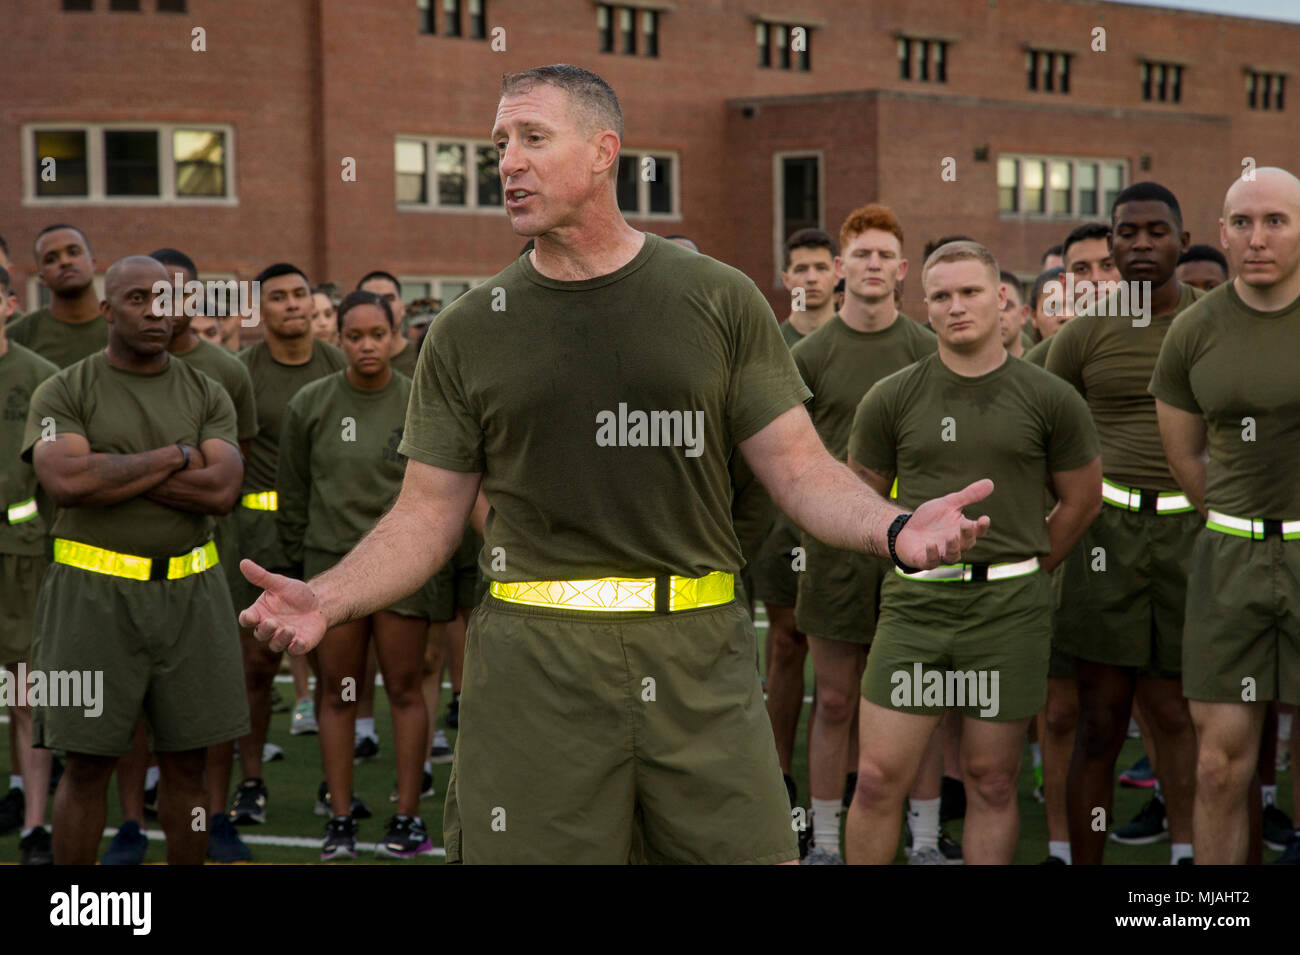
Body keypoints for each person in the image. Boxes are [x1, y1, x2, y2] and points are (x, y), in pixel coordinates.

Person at [237, 63, 993, 864]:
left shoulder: (718, 296)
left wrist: (897, 527)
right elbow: (426, 513)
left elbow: (799, 468)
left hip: (698, 655)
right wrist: (327, 595)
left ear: (604, 152)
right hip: (535, 663)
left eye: (533, 137)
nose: (509, 162)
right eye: (500, 143)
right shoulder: (466, 328)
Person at [844, 240, 1101, 865]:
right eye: (941, 296)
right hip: (914, 608)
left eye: (970, 292)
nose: (956, 306)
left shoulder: (1050, 396)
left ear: (1002, 298)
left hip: (1009, 610)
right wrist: (906, 547)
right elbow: (858, 506)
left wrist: (1029, 570)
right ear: (924, 306)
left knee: (990, 780)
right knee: (878, 781)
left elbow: (1081, 500)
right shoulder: (891, 397)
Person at [23, 255, 248, 865]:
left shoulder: (208, 390)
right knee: (87, 764)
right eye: (138, 298)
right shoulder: (63, 389)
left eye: (167, 299)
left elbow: (223, 491)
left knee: (188, 764)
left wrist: (114, 467)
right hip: (90, 600)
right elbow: (67, 480)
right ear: (107, 309)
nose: (156, 311)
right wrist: (178, 453)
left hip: (191, 598)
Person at [1046, 183, 1203, 865]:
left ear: (1183, 238)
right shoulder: (1083, 335)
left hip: (1195, 537)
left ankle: (1190, 858)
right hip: (1103, 538)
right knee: (1100, 720)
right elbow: (1035, 420)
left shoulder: (1214, 322)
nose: (1141, 244)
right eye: (1127, 232)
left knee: (1176, 714)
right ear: (1110, 244)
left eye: (1156, 231)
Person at [1151, 166, 1300, 865]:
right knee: (1219, 766)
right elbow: (1187, 459)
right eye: (1242, 223)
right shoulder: (1193, 330)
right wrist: (1242, 519)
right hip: (1229, 561)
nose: (1258, 238)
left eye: (1276, 221)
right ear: (1220, 233)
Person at [792, 204, 937, 864]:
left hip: (914, 551)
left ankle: (927, 838)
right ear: (840, 268)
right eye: (862, 255)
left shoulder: (927, 348)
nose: (873, 264)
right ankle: (824, 841)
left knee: (916, 698)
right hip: (836, 551)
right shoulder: (808, 353)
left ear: (902, 269)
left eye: (885, 255)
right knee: (836, 697)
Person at [278, 290, 436, 859]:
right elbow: (293, 495)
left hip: (404, 572)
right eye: (354, 335)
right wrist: (303, 571)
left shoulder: (422, 398)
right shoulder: (312, 402)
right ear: (337, 338)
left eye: (377, 334)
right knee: (338, 694)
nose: (366, 345)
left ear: (394, 336)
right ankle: (340, 818)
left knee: (404, 688)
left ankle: (408, 816)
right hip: (331, 575)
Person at [228, 263, 345, 828]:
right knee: (255, 667)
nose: (293, 304)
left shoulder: (339, 365)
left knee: (331, 667)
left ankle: (333, 784)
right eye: (278, 297)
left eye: (301, 294)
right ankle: (251, 783)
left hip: (327, 537)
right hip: (260, 538)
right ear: (260, 310)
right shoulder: (240, 372)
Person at [755, 227, 840, 813]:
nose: (808, 278)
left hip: (848, 515)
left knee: (846, 659)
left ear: (836, 272)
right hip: (780, 522)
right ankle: (780, 782)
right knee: (785, 646)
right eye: (798, 269)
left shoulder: (857, 337)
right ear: (786, 279)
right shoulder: (767, 344)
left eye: (818, 267)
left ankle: (848, 789)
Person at [0, 264, 59, 865]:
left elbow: (60, 479)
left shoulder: (42, 382)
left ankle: (36, 825)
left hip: (21, 556)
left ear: (10, 303)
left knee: (28, 696)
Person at [5, 225, 105, 369]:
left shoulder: (123, 325)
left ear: (93, 263)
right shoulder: (17, 336)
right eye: (51, 259)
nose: (65, 262)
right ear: (42, 277)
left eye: (74, 252)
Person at [356, 271, 416, 379]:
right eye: (370, 300)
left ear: (402, 308)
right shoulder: (342, 361)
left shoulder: (423, 358)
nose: (381, 306)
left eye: (388, 299)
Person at [1022, 267, 1072, 366]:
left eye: (1074, 306)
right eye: (1052, 308)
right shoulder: (1022, 374)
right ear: (1034, 317)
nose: (1065, 317)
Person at [999, 271, 1028, 358]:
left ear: (1023, 314)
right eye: (991, 307)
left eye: (1007, 307)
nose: (999, 316)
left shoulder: (1042, 365)